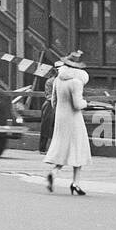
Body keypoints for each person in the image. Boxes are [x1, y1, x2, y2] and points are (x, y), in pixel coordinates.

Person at [43, 50, 91, 194]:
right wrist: (86, 103)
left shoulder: (58, 79)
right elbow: (77, 104)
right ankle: (75, 183)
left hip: (60, 117)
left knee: (63, 147)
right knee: (78, 149)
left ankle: (54, 172)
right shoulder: (76, 82)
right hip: (74, 118)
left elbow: (53, 100)